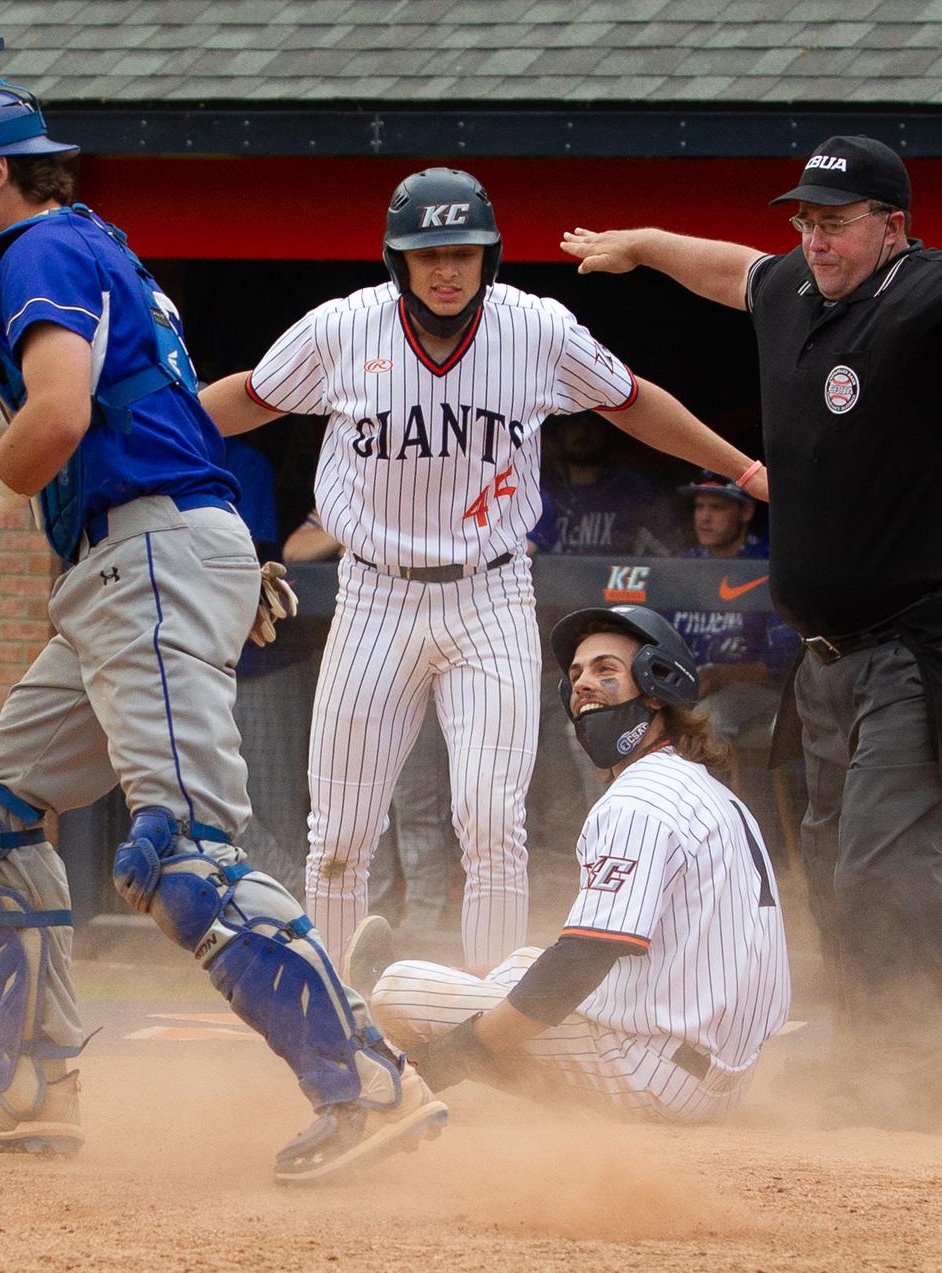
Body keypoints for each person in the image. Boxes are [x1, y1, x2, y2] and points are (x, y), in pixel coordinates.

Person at [0, 41, 444, 1178]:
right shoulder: (78, 250)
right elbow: (73, 444)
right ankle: (29, 1085)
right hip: (134, 559)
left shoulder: (37, 243)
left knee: (183, 854)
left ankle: (371, 1085)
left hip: (154, 564)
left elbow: (64, 423)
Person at [564, 135, 942, 1131]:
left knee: (886, 860)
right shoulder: (795, 289)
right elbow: (730, 269)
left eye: (835, 221)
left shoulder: (935, 288)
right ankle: (866, 1054)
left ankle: (910, 1071)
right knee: (833, 858)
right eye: (803, 220)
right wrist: (642, 241)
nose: (815, 238)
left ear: (891, 223)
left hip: (933, 644)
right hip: (830, 652)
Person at [200, 166, 765, 976]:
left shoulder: (534, 329)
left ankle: (492, 1020)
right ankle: (330, 1020)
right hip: (373, 593)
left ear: (488, 256)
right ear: (397, 260)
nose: (445, 269)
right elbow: (250, 396)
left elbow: (632, 398)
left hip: (490, 590)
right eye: (427, 253)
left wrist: (743, 469)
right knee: (340, 834)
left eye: (462, 252)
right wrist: (124, 432)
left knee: (493, 822)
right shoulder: (341, 329)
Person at [355, 605, 791, 1124]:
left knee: (403, 989)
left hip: (654, 1079)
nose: (583, 684)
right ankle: (404, 997)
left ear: (657, 686)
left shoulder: (639, 798)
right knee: (523, 964)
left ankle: (390, 1072)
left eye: (607, 671)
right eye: (577, 674)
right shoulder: (702, 789)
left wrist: (452, 1058)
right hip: (717, 1072)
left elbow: (582, 961)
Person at [283, 511, 458, 944]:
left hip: (430, 657)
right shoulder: (359, 487)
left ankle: (424, 918)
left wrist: (375, 543)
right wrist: (361, 531)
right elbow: (295, 548)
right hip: (364, 662)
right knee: (357, 805)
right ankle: (370, 913)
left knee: (418, 801)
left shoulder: (449, 480)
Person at [667, 472, 801, 752]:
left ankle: (695, 798)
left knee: (702, 724)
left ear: (746, 511)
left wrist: (721, 675)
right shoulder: (682, 566)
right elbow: (656, 637)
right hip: (683, 687)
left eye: (716, 508)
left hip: (757, 692)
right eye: (699, 507)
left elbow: (786, 665)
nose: (704, 518)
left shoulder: (766, 565)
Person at [528, 413, 681, 556]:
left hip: (617, 581)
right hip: (554, 582)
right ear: (561, 431)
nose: (584, 431)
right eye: (575, 422)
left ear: (607, 431)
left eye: (593, 423)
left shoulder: (635, 491)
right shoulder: (542, 492)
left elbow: (668, 554)